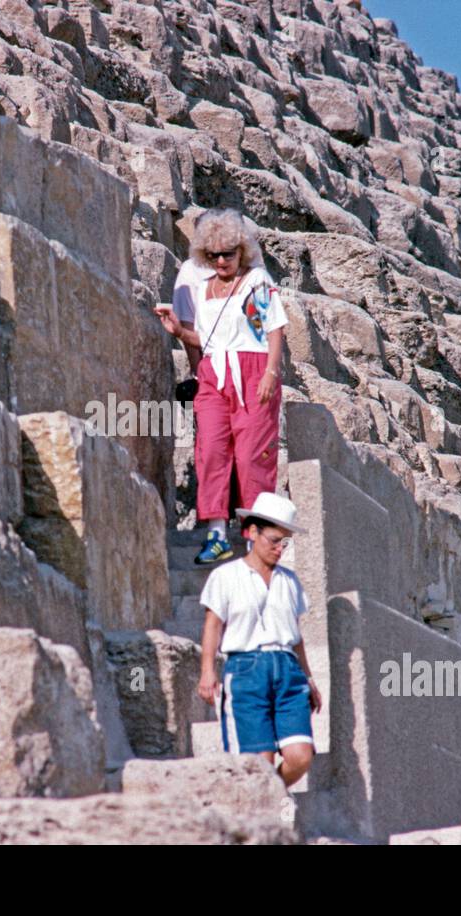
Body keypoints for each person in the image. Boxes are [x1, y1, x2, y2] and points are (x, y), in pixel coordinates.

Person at [153, 208, 285, 565]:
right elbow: (206, 338)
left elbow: (274, 327)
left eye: (228, 252)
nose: (222, 260)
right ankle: (215, 534)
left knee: (250, 456)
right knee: (210, 451)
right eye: (214, 255)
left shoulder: (256, 280)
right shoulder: (203, 287)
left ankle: (253, 539)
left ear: (241, 249)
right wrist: (179, 332)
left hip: (253, 370)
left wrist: (271, 372)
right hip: (214, 373)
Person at [196, 492, 320, 787]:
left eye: (285, 542)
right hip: (246, 668)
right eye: (274, 540)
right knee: (257, 766)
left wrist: (309, 677)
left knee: (300, 755)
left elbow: (297, 634)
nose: (280, 549)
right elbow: (213, 625)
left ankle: (271, 798)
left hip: (288, 669)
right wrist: (207, 671)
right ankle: (265, 811)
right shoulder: (226, 576)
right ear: (252, 532)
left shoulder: (290, 581)